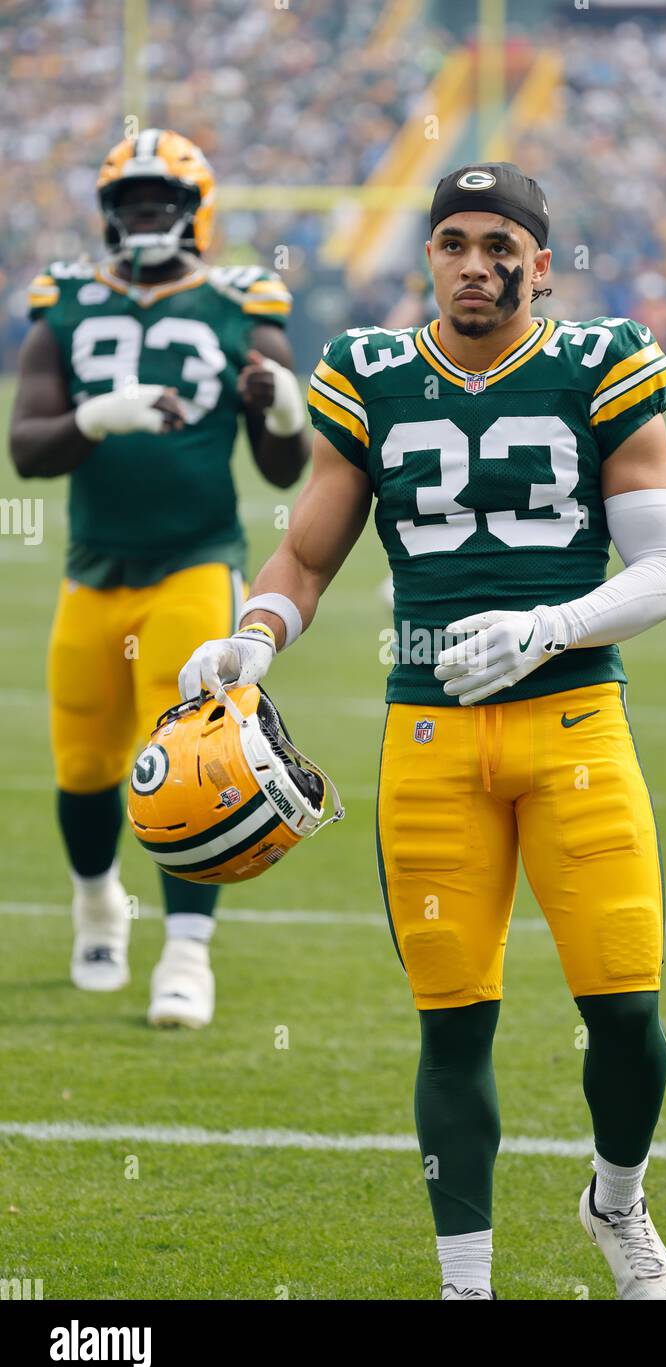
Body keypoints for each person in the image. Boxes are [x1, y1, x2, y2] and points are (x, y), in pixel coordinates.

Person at [179, 162, 666, 1300]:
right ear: (429, 258)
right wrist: (252, 636)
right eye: (454, 241)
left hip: (573, 724)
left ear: (541, 265)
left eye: (500, 244)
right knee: (453, 1024)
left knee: (626, 1011)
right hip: (430, 742)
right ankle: (466, 1285)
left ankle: (617, 1202)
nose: (476, 262)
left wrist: (549, 625)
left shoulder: (596, 364)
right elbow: (306, 555)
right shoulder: (372, 375)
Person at [9, 129, 308, 1028]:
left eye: (161, 202)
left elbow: (285, 468)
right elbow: (26, 450)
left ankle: (186, 952)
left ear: (194, 212)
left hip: (193, 564)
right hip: (92, 570)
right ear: (107, 214)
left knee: (197, 756)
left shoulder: (239, 304)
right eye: (130, 201)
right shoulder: (63, 303)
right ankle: (98, 903)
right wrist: (97, 415)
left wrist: (287, 408)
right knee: (84, 765)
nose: (145, 216)